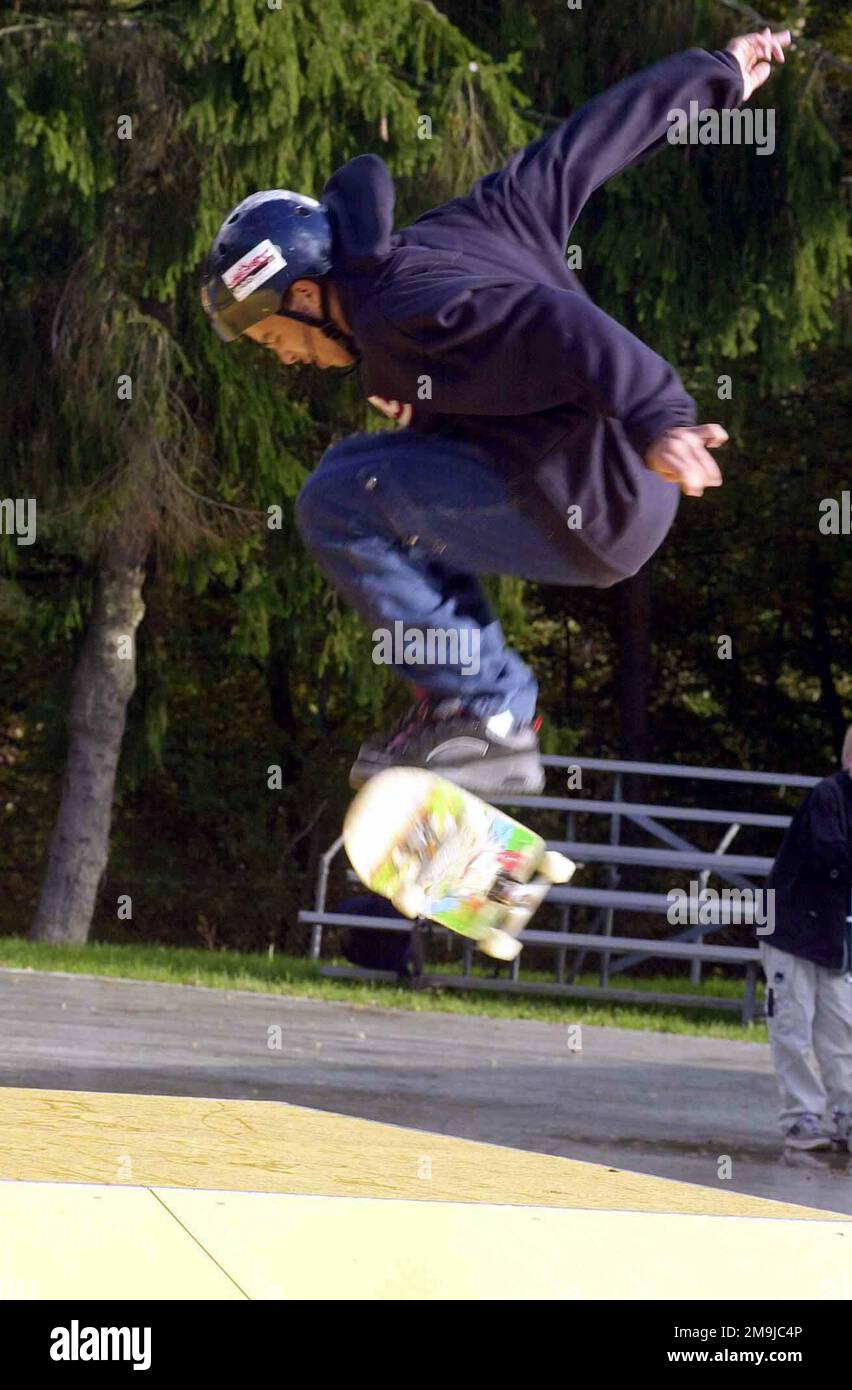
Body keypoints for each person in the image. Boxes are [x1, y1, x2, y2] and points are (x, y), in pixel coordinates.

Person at [201, 29, 790, 797]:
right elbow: (583, 147)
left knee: (336, 501)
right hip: (607, 490)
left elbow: (557, 326)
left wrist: (659, 414)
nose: (283, 356)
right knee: (369, 473)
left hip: (595, 498)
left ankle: (486, 708)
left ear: (306, 295)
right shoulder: (472, 227)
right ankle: (483, 712)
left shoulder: (406, 307)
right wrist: (714, 77)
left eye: (273, 336)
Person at [761, 728, 852, 1151]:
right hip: (793, 928)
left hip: (833, 935)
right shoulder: (827, 798)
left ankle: (845, 1111)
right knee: (793, 1024)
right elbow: (831, 859)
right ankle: (802, 1116)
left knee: (840, 1029)